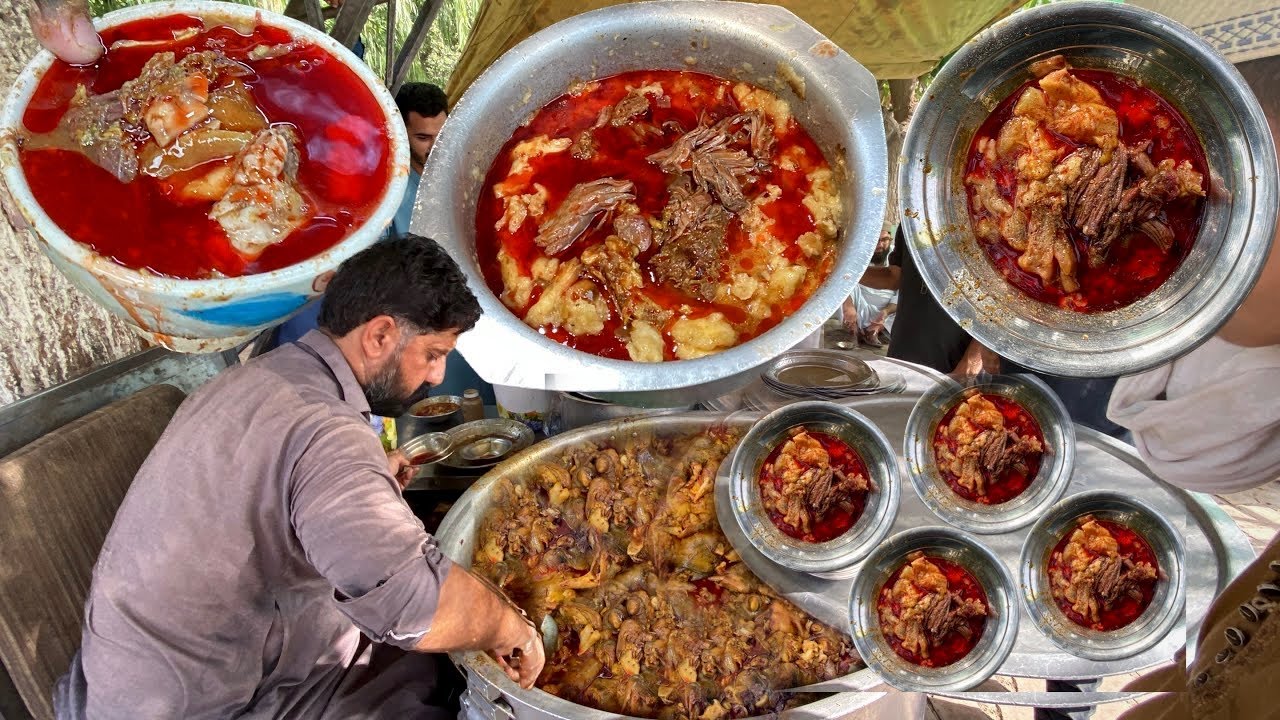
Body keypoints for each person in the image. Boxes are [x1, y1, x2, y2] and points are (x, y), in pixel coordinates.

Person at [54, 236, 544, 719]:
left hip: (117, 676)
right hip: (207, 702)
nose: (437, 376)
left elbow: (278, 484)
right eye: (434, 354)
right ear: (379, 336)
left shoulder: (259, 377)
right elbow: (412, 604)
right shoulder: (328, 431)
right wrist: (512, 626)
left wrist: (370, 476)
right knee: (439, 673)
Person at [391, 82, 449, 238]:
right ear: (401, 134)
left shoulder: (462, 175)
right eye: (423, 138)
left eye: (442, 135)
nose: (436, 146)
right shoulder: (390, 196)